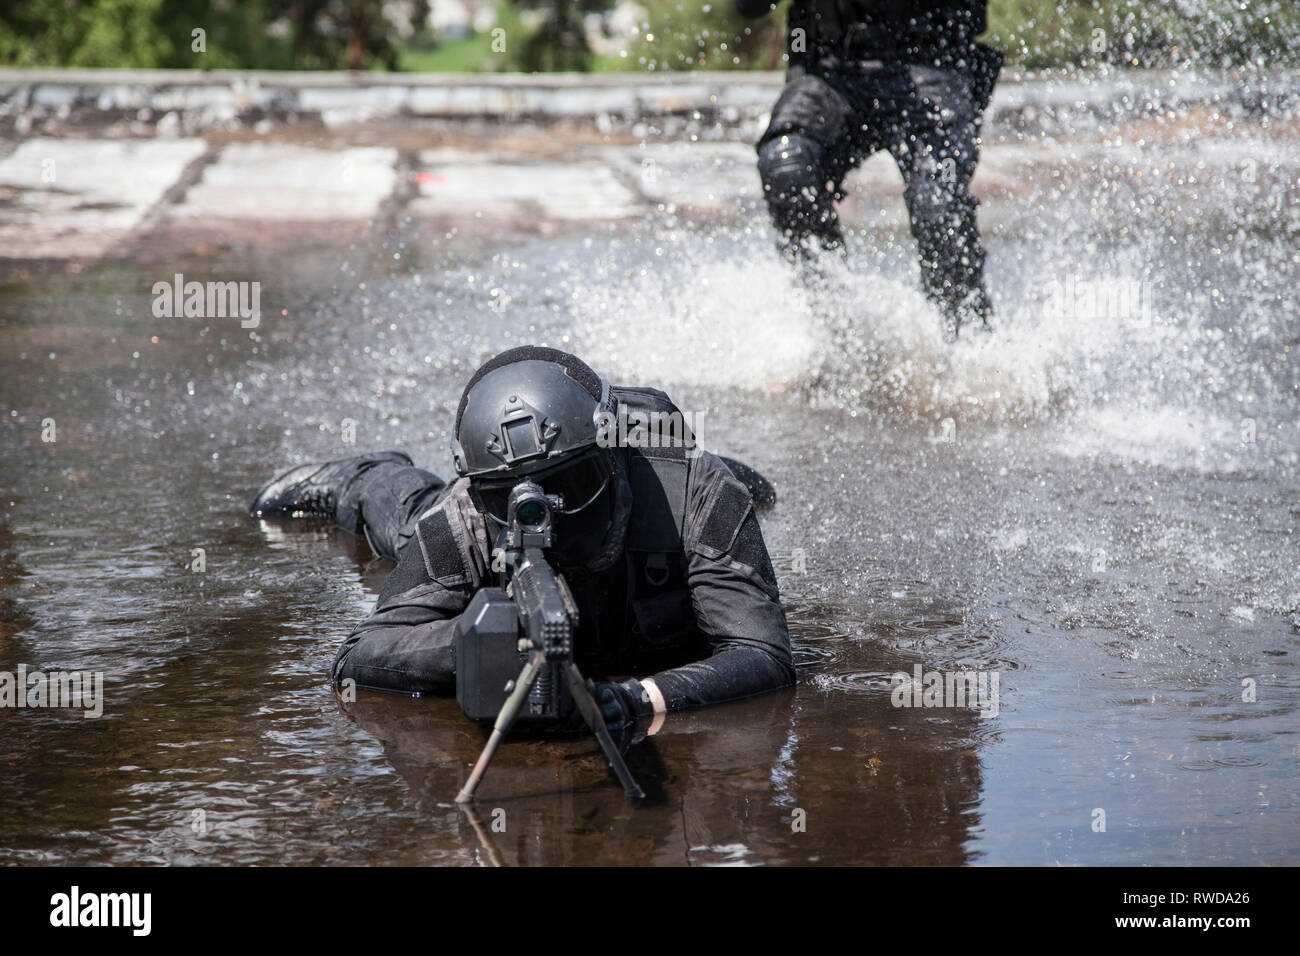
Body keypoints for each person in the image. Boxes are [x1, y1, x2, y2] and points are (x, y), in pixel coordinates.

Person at [249, 345, 795, 732]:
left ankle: (721, 467)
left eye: (572, 485)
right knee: (414, 518)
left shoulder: (698, 493)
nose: (551, 516)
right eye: (508, 496)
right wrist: (478, 642)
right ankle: (368, 474)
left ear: (612, 458)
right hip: (454, 507)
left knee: (726, 483)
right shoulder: (466, 514)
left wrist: (637, 700)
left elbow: (762, 654)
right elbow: (359, 656)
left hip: (670, 470)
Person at [736, 0, 1003, 340]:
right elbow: (749, 8)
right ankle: (831, 328)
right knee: (785, 164)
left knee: (940, 198)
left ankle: (969, 341)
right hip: (831, 69)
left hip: (935, 63)